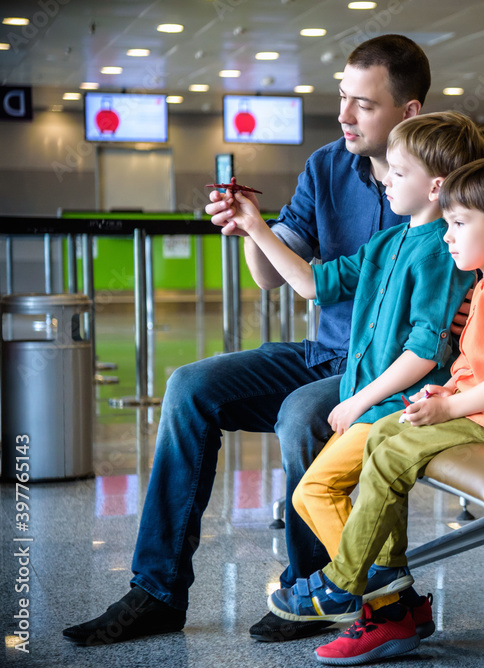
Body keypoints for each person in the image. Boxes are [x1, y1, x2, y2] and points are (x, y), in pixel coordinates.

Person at [63, 34, 437, 647]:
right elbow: (276, 277)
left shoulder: (440, 182)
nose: (344, 115)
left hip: (394, 370)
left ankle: (313, 588)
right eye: (342, 98)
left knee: (301, 416)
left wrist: (268, 237)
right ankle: (157, 589)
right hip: (327, 355)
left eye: (363, 105)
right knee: (190, 386)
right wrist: (247, 230)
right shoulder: (325, 166)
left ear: (409, 112)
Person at [265, 156, 484, 665]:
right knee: (385, 434)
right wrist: (445, 393)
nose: (448, 235)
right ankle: (384, 591)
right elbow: (479, 366)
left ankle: (343, 582)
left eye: (458, 224)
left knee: (388, 457)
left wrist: (449, 405)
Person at [231, 111, 484, 639]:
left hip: (396, 407)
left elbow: (424, 352)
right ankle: (395, 602)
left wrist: (356, 401)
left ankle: (375, 591)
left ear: (435, 186)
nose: (385, 179)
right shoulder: (388, 243)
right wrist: (255, 227)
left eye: (397, 172)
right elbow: (310, 283)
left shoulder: (443, 252)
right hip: (371, 402)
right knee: (351, 508)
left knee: (314, 492)